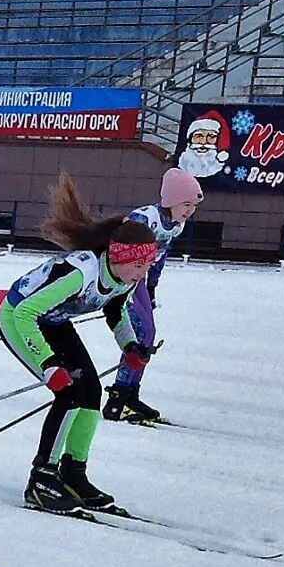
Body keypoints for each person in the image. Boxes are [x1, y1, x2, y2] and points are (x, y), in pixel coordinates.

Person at [0, 174, 160, 515]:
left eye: (148, 265)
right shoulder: (81, 273)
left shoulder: (123, 276)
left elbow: (115, 310)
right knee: (68, 392)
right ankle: (42, 478)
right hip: (19, 318)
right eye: (139, 264)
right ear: (118, 256)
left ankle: (73, 473)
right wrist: (48, 365)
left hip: (53, 321)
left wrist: (130, 346)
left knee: (91, 394)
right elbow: (26, 313)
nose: (143, 274)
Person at [102, 167, 203, 425]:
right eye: (186, 204)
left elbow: (160, 257)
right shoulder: (145, 217)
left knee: (148, 334)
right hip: (126, 276)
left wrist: (153, 286)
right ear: (171, 200)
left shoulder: (177, 226)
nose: (189, 210)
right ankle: (118, 398)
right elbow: (121, 247)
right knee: (141, 333)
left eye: (193, 205)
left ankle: (129, 393)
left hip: (142, 279)